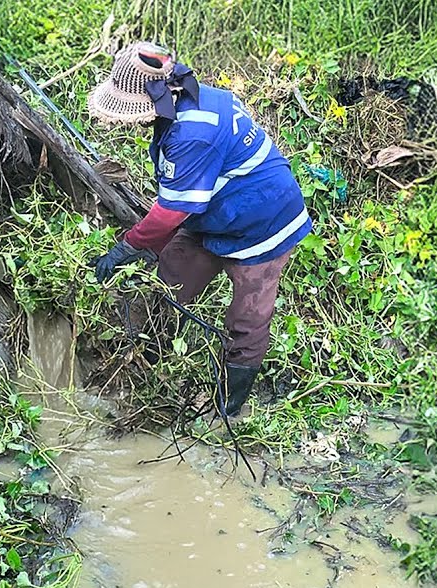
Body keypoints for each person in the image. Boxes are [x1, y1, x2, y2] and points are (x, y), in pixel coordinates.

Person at [88, 42, 312, 419]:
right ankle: (145, 357)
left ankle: (228, 406)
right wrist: (150, 247)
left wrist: (126, 247)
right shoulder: (186, 101)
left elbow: (171, 210)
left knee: (248, 314)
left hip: (264, 218)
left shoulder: (193, 132)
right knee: (171, 276)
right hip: (215, 212)